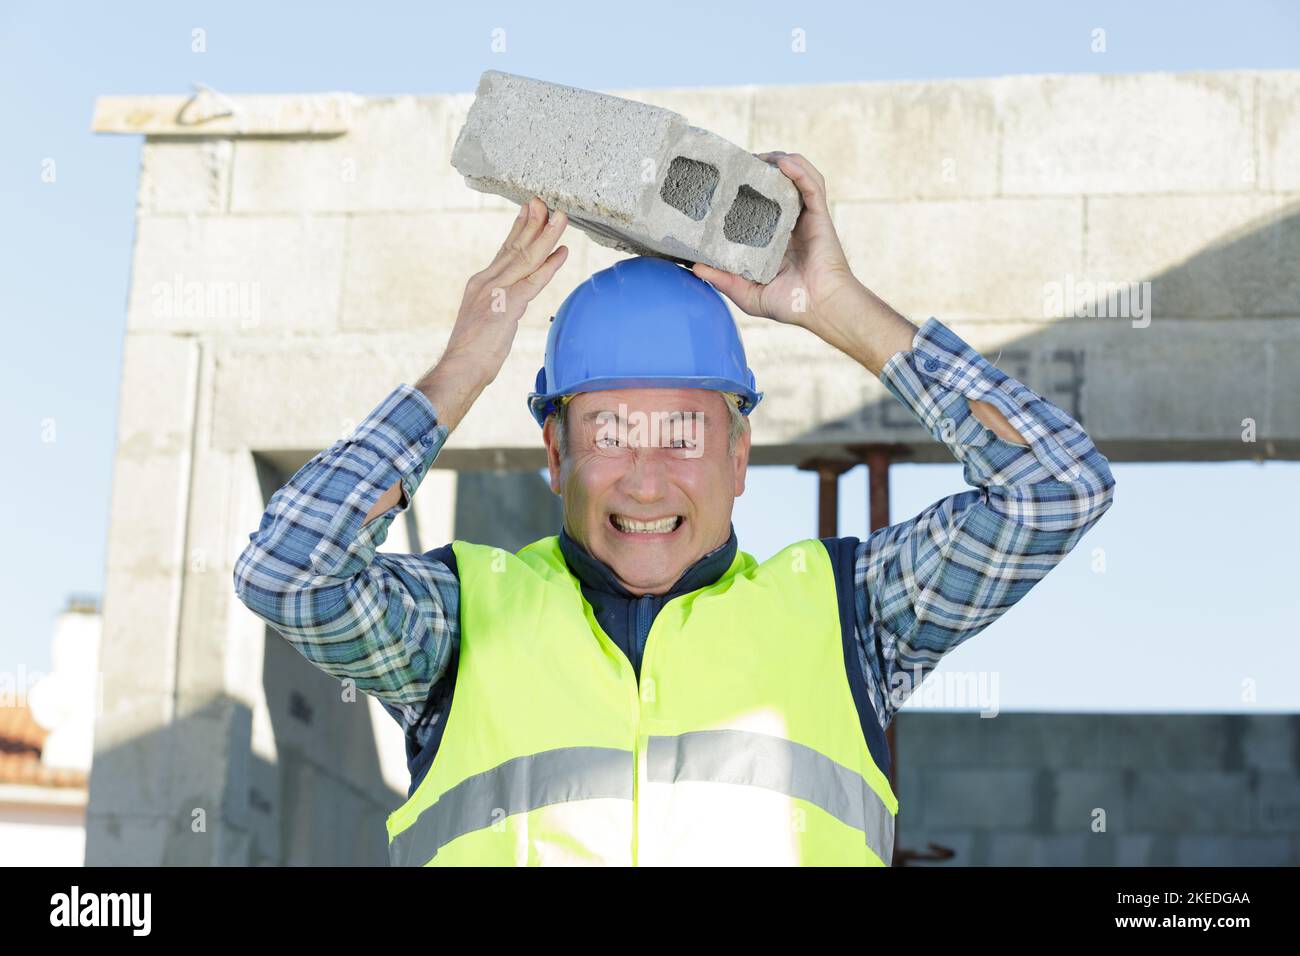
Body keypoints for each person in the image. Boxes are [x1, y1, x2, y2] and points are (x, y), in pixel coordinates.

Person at [233, 151, 1116, 866]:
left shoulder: (850, 616)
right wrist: (459, 372)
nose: (647, 481)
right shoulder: (457, 624)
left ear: (739, 458)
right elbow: (289, 571)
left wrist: (840, 309)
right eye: (609, 432)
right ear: (556, 455)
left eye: (686, 437)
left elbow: (1055, 488)